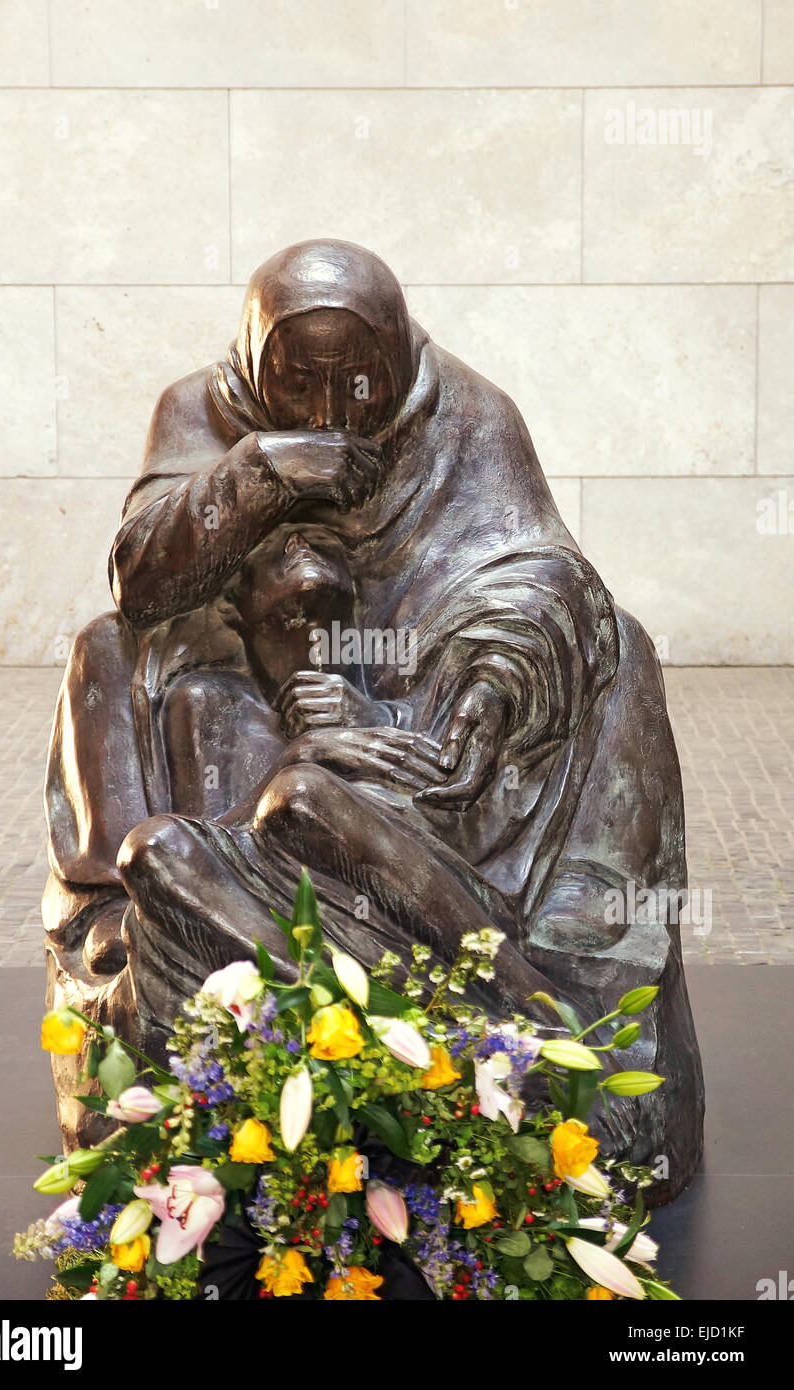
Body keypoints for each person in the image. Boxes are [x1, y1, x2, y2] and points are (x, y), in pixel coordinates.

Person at [44, 240, 703, 1199]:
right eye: (296, 381)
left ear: (395, 361)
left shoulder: (467, 414)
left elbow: (536, 573)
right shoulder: (203, 409)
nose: (327, 408)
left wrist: (484, 689)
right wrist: (262, 471)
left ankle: (487, 967)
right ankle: (130, 910)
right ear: (255, 362)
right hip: (246, 664)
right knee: (109, 650)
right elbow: (144, 577)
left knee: (618, 646)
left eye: (354, 382)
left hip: (415, 680)